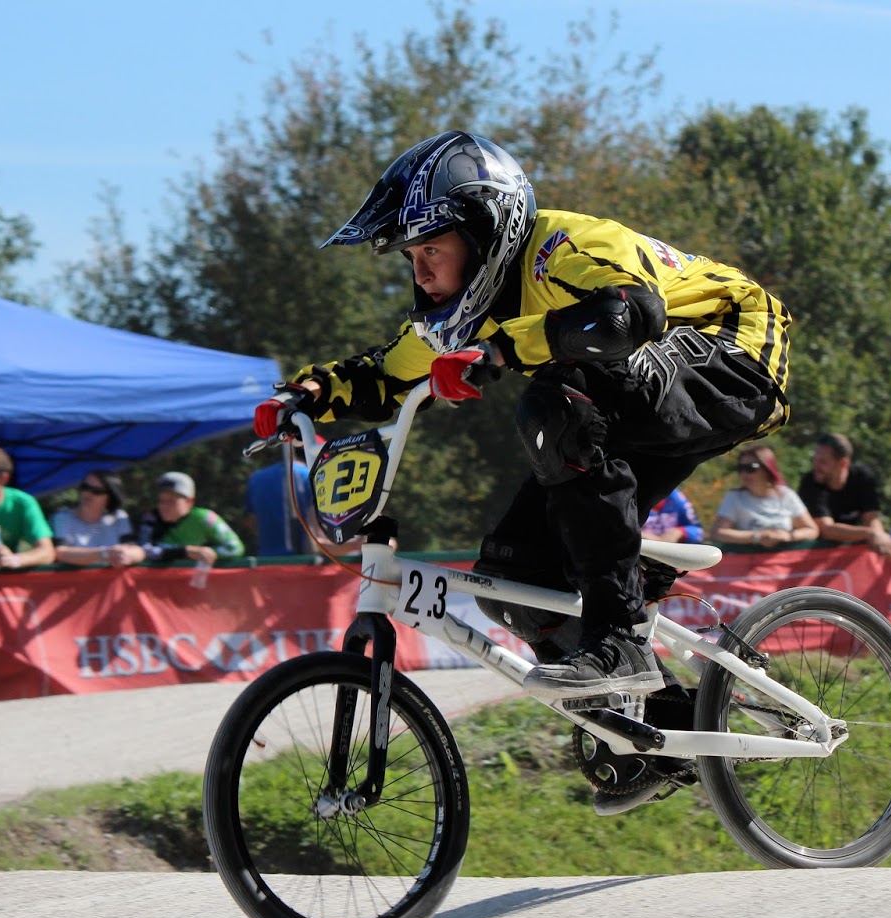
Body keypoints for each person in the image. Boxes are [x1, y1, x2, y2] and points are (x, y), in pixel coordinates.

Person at [253, 131, 791, 713]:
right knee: (514, 578)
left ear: (483, 232)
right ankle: (660, 722)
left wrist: (503, 349)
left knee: (558, 404)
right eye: (411, 257)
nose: (421, 272)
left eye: (431, 249)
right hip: (644, 395)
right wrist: (310, 394)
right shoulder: (462, 316)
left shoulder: (564, 246)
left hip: (735, 353)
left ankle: (618, 639)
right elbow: (386, 374)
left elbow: (628, 315)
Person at [110, 472, 245, 566]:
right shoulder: (151, 518)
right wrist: (187, 552)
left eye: (171, 501)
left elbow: (235, 548)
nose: (164, 506)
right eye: (161, 500)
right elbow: (144, 550)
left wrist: (211, 553)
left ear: (190, 501)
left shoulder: (206, 518)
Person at [796, 432, 891, 557]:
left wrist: (880, 538)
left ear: (843, 463)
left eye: (823, 462)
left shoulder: (862, 478)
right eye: (815, 459)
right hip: (815, 555)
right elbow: (827, 530)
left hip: (849, 556)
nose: (815, 466)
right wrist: (871, 533)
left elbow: (872, 518)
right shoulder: (810, 483)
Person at [710, 446, 819, 549]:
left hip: (785, 560)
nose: (744, 473)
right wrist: (757, 537)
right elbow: (717, 533)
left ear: (767, 468)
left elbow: (812, 530)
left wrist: (788, 536)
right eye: (741, 468)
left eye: (751, 468)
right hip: (748, 560)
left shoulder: (786, 495)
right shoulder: (734, 496)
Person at [50, 470, 136, 566]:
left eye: (96, 491)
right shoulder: (62, 518)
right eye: (85, 487)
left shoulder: (119, 517)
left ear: (110, 496)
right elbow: (60, 553)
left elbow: (136, 550)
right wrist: (105, 553)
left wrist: (129, 556)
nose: (88, 493)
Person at [244, 457, 319, 556]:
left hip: (266, 558)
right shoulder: (310, 475)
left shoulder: (256, 478)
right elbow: (316, 527)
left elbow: (251, 521)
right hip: (304, 558)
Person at [641, 487, 706, 544]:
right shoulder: (635, 497)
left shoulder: (677, 499)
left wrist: (681, 532)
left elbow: (699, 532)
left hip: (670, 550)